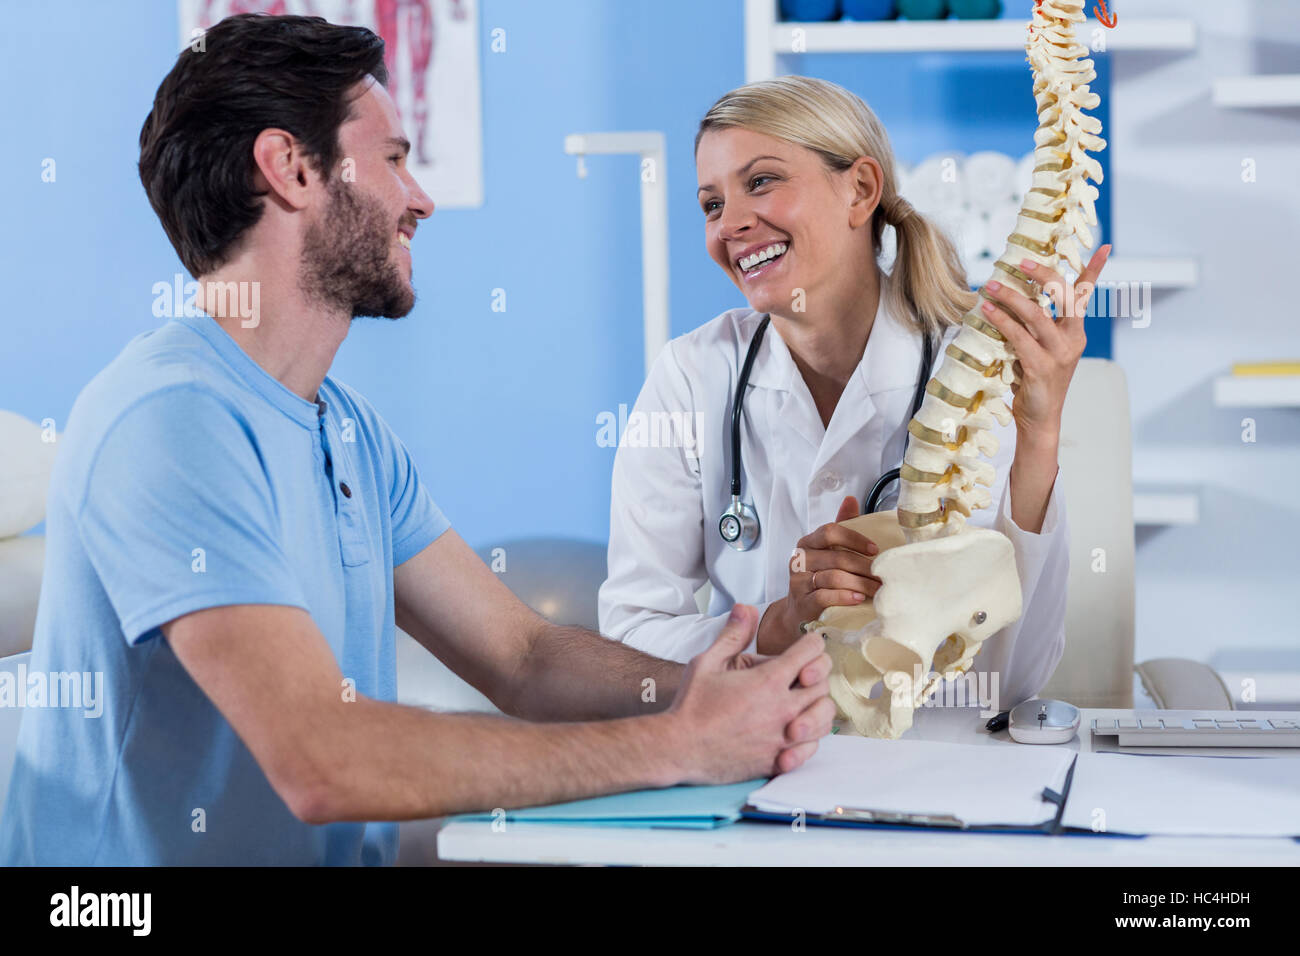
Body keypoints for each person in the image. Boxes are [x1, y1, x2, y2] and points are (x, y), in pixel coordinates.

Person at [0, 15, 834, 867]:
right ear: (291, 168)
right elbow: (323, 757)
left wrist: (702, 693)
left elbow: (524, 654)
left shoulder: (349, 431)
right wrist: (676, 747)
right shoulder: (168, 420)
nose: (420, 197)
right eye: (394, 159)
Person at [599, 76, 1111, 712]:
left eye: (760, 182)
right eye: (710, 204)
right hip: (759, 756)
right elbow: (630, 641)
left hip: (947, 770)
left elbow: (1013, 682)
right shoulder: (691, 376)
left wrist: (1039, 435)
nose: (729, 223)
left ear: (860, 189)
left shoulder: (976, 376)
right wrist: (776, 627)